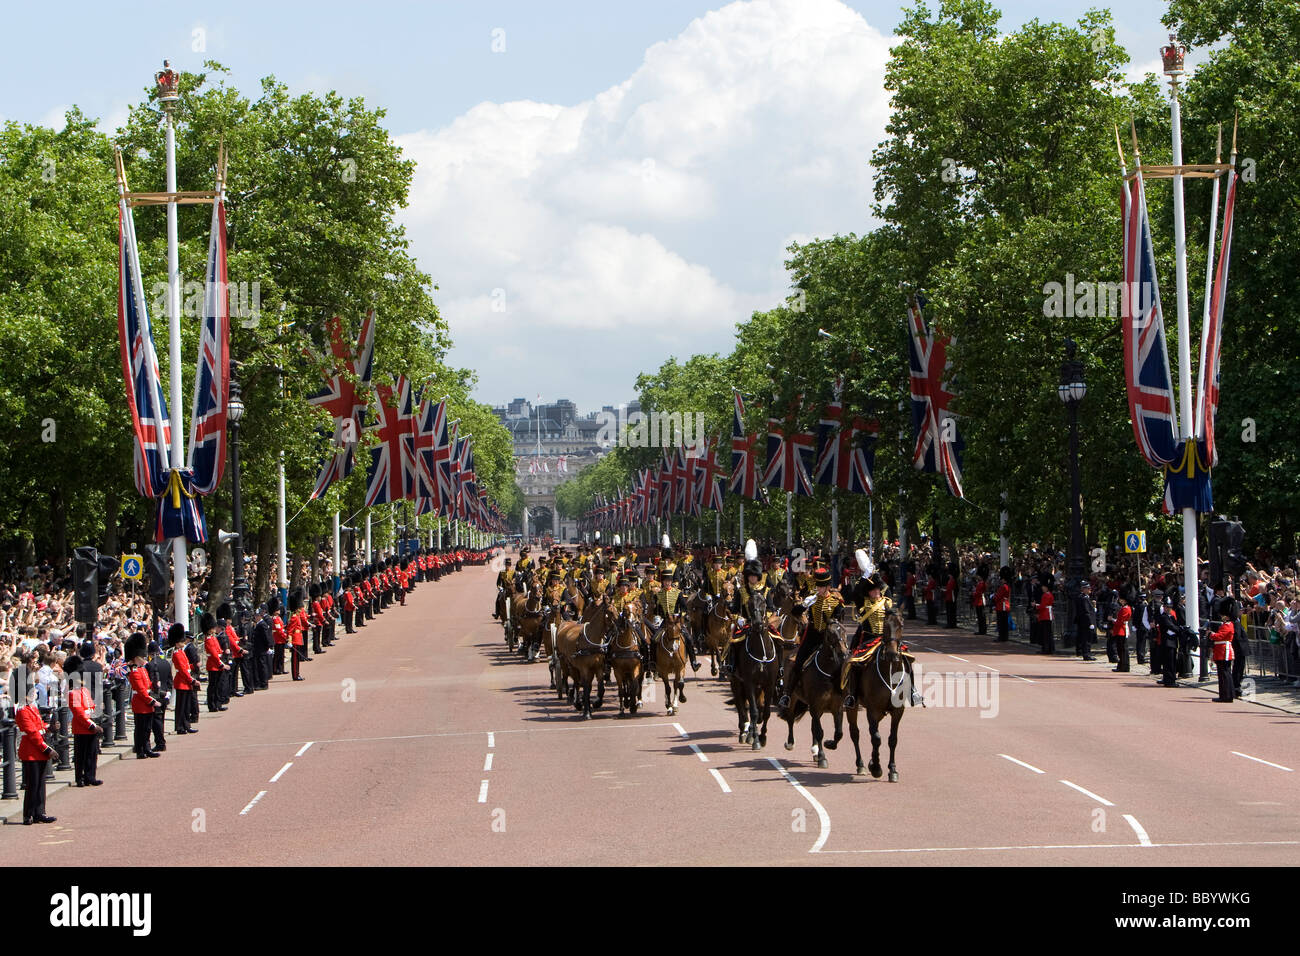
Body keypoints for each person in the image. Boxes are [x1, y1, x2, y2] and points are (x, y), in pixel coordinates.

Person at [778, 565, 839, 711]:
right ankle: (787, 694)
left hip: (829, 636)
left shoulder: (836, 601)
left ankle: (847, 694)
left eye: (821, 586)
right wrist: (804, 604)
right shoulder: (812, 599)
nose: (818, 589)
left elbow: (838, 616)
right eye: (818, 586)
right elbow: (795, 612)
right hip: (813, 635)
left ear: (828, 587)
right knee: (798, 662)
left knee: (843, 660)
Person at [16, 683, 57, 823]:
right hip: (31, 751)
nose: (35, 694)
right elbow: (32, 733)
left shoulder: (32, 708)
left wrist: (49, 727)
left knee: (40, 783)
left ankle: (39, 812)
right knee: (32, 784)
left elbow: (38, 726)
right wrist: (46, 749)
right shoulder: (22, 710)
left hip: (38, 750)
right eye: (32, 693)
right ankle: (28, 814)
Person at [64, 655, 103, 787]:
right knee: (81, 755)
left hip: (90, 724)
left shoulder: (84, 690)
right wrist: (92, 726)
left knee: (92, 754)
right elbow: (79, 714)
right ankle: (79, 778)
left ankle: (90, 777)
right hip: (82, 727)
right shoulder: (72, 693)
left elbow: (90, 706)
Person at [125, 632, 158, 758]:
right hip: (140, 703)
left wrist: (155, 684)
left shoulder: (142, 669)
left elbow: (148, 684)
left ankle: (147, 748)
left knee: (147, 728)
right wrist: (150, 700)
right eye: (141, 656)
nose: (143, 658)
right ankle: (140, 750)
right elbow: (140, 689)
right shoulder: (134, 672)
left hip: (146, 701)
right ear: (135, 657)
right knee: (140, 729)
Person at [169, 625, 197, 735]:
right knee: (181, 706)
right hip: (182, 682)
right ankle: (180, 726)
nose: (183, 642)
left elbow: (186, 666)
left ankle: (186, 725)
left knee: (186, 706)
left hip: (185, 681)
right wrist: (191, 680)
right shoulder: (176, 654)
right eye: (181, 641)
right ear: (177, 643)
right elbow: (182, 669)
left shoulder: (181, 652)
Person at [145, 640, 172, 751]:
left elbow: (150, 683)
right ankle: (161, 741)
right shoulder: (165, 662)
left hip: (156, 696)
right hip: (165, 694)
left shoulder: (150, 665)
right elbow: (170, 679)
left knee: (156, 721)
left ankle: (160, 742)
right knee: (162, 719)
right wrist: (168, 692)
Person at [1208, 599, 1236, 702]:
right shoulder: (1226, 624)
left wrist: (1211, 634)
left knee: (1225, 674)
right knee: (1223, 674)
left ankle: (1226, 695)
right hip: (1221, 651)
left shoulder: (1228, 625)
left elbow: (1220, 636)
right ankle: (1225, 695)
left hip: (1224, 651)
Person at [202, 613, 228, 712]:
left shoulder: (213, 638)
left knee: (218, 686)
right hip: (213, 665)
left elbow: (218, 650)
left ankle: (218, 703)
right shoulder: (208, 639)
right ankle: (212, 705)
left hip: (217, 664)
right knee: (213, 686)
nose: (214, 629)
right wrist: (221, 664)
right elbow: (213, 654)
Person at [1075, 580, 1097, 661]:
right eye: (1088, 588)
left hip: (1084, 621)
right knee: (1087, 638)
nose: (1089, 589)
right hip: (1086, 622)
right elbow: (1086, 611)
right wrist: (1090, 622)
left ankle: (1085, 652)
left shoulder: (1085, 598)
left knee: (1086, 638)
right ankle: (1086, 654)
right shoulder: (1084, 598)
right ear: (1084, 589)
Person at [1110, 595, 1132, 672]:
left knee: (1123, 650)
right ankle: (1121, 665)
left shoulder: (1126, 609)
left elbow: (1120, 621)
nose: (1120, 601)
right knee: (1121, 650)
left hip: (1122, 630)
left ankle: (1124, 666)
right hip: (1120, 629)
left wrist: (1112, 619)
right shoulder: (1124, 608)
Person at [994, 570, 1011, 642]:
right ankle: (1004, 636)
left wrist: (994, 597)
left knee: (1001, 622)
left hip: (1002, 605)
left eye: (1002, 579)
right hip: (1004, 604)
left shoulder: (1003, 587)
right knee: (1004, 622)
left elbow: (998, 596)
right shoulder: (1006, 586)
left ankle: (1001, 636)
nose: (1001, 580)